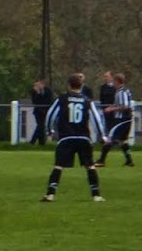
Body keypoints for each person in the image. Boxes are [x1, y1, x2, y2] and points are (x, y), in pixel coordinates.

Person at [41, 73, 106, 202]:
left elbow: (50, 115)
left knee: (59, 165)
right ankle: (96, 195)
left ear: (69, 85)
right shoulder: (87, 100)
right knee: (90, 165)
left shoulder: (62, 99)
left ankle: (50, 194)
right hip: (83, 138)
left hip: (66, 137)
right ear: (81, 85)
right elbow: (96, 119)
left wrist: (49, 130)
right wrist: (102, 136)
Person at [97, 72, 135, 168]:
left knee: (110, 138)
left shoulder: (122, 92)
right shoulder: (125, 91)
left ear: (117, 81)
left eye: (114, 81)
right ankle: (129, 161)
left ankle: (101, 160)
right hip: (127, 119)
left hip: (122, 119)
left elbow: (125, 106)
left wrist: (111, 109)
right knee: (123, 140)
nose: (113, 83)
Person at [29, 79, 55, 146]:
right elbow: (34, 102)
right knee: (40, 125)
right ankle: (33, 141)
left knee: (41, 126)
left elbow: (50, 100)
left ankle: (41, 142)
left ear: (42, 84)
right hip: (38, 111)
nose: (37, 86)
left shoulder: (48, 90)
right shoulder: (34, 91)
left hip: (46, 111)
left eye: (38, 84)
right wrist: (38, 93)